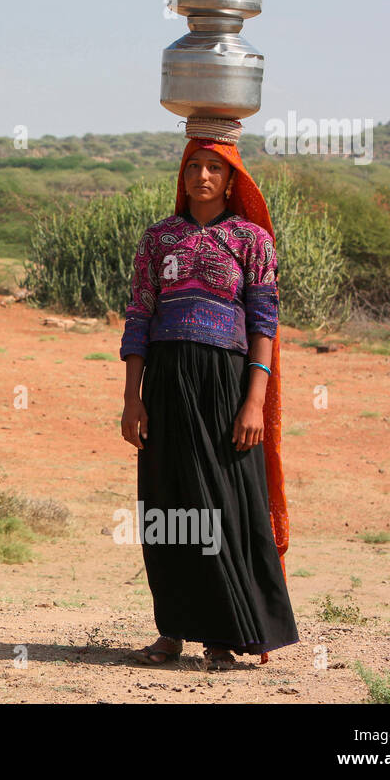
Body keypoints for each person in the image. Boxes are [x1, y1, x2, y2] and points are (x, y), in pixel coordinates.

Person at [119, 131, 298, 670]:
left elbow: (264, 322)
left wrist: (254, 402)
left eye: (213, 169)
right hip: (167, 380)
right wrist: (133, 398)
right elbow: (138, 318)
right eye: (193, 166)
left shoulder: (251, 240)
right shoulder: (158, 240)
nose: (202, 176)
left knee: (223, 503)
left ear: (230, 180)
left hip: (226, 380)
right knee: (167, 502)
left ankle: (223, 634)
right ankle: (172, 629)